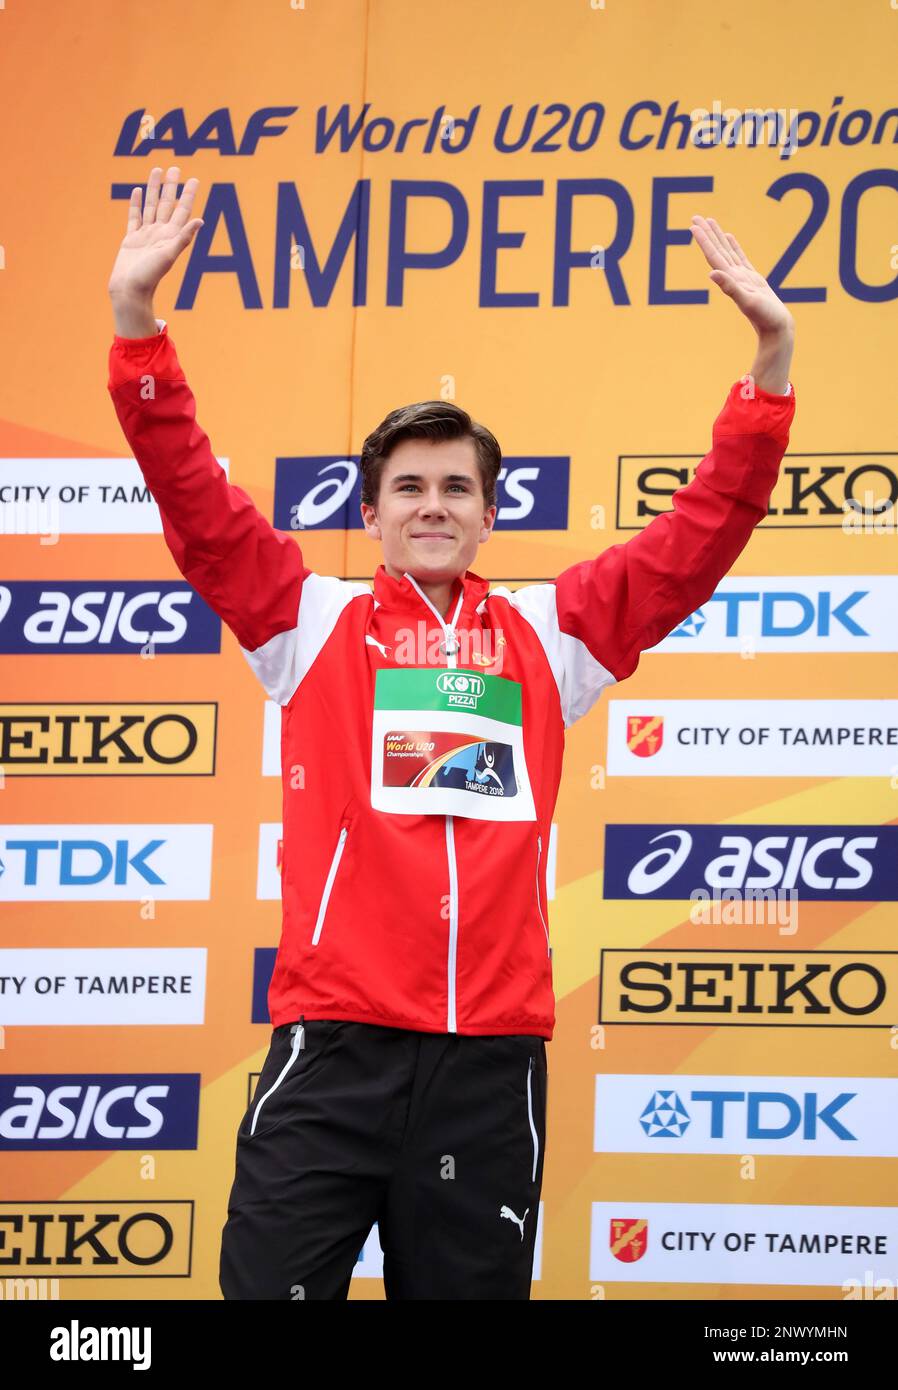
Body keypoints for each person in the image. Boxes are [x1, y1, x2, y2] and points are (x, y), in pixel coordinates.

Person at [107, 166, 796, 1300]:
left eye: (458, 487)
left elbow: (698, 537)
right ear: (367, 511)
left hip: (488, 1062)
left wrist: (767, 365)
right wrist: (139, 331)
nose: (434, 504)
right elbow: (193, 498)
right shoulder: (306, 621)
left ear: (490, 511)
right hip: (333, 1049)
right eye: (409, 486)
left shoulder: (549, 634)